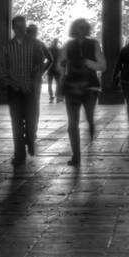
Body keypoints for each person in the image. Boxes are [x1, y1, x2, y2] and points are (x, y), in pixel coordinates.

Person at [0, 15, 46, 166]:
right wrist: (12, 83)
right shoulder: (6, 46)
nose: (21, 30)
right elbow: (2, 68)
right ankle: (19, 154)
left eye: (23, 27)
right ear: (13, 28)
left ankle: (30, 139)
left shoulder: (35, 44)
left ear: (26, 28)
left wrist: (33, 81)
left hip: (30, 89)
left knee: (31, 120)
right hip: (15, 90)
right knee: (16, 123)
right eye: (18, 27)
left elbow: (40, 64)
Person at [61, 17, 106, 166]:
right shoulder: (68, 45)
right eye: (78, 27)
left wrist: (87, 62)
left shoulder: (94, 44)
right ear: (75, 29)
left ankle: (91, 124)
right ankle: (76, 155)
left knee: (89, 116)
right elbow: (60, 66)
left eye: (83, 27)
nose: (81, 30)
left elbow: (102, 66)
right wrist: (62, 69)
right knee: (72, 124)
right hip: (72, 87)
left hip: (89, 87)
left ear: (86, 29)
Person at [26, 22, 54, 123]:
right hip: (36, 77)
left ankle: (26, 125)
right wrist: (42, 71)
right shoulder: (40, 44)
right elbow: (51, 59)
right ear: (36, 33)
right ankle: (33, 128)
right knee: (34, 103)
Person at [46, 37, 62, 102]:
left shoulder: (49, 49)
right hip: (56, 69)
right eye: (55, 42)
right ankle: (56, 96)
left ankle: (52, 97)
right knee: (57, 84)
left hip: (51, 68)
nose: (55, 43)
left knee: (50, 84)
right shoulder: (59, 50)